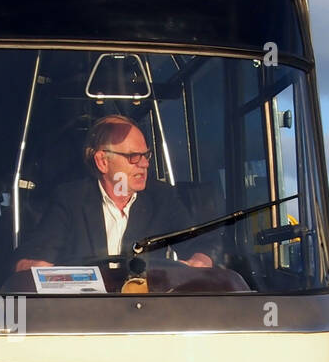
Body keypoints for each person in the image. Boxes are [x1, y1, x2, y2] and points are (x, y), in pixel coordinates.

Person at [14, 115, 215, 272]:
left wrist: (201, 260)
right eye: (133, 157)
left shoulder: (162, 197)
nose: (145, 164)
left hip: (149, 314)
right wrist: (35, 268)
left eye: (146, 155)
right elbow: (34, 258)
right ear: (102, 161)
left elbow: (204, 244)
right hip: (87, 315)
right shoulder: (69, 200)